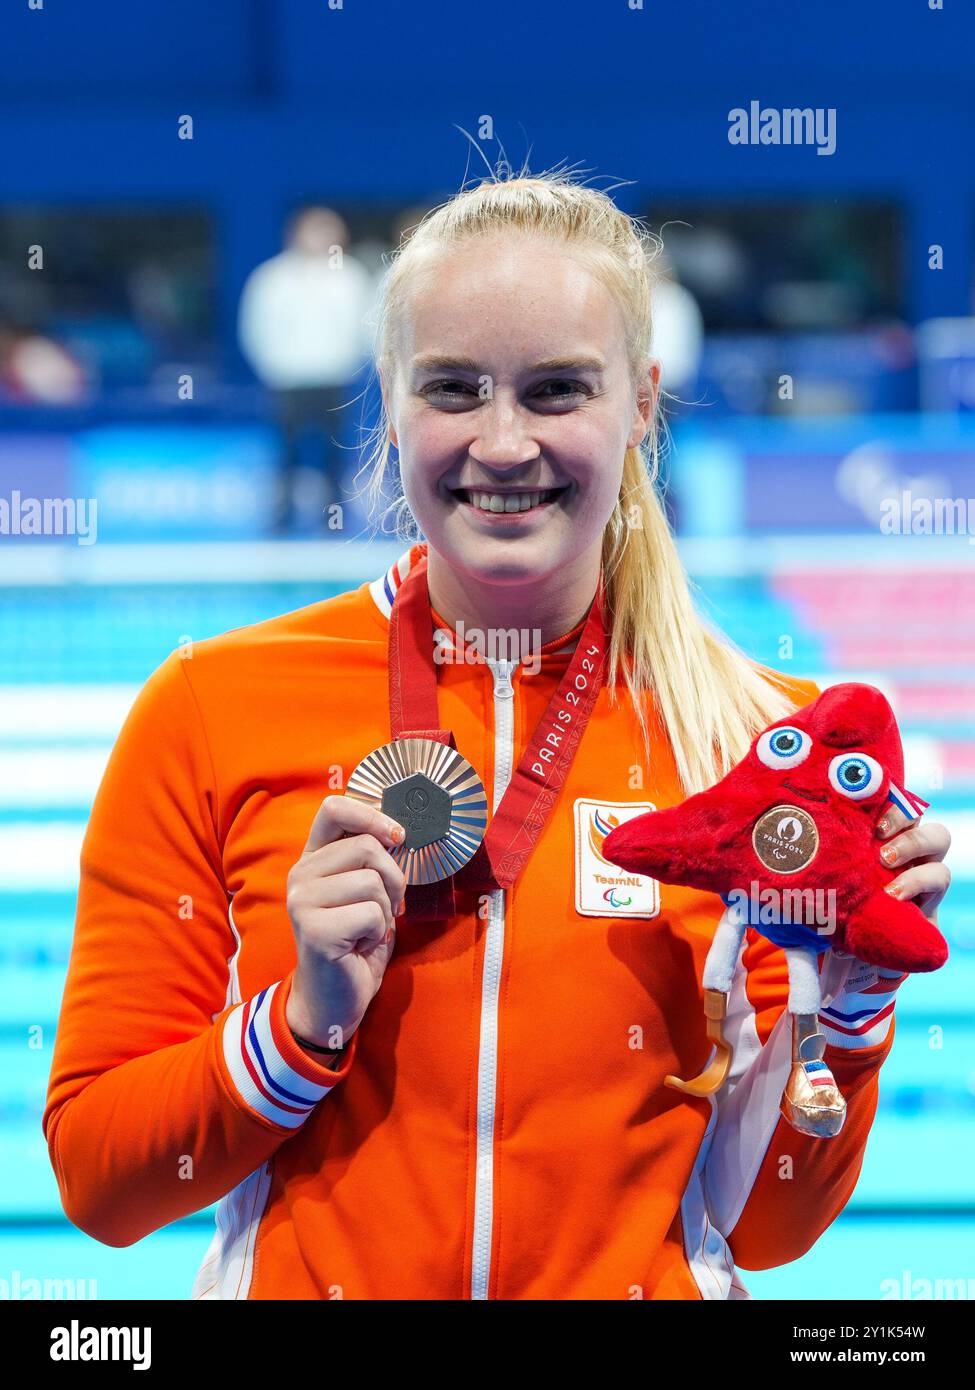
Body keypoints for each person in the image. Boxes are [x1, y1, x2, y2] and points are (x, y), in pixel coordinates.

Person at [43, 170, 952, 1300]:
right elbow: (99, 1180)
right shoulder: (212, 704)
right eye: (456, 388)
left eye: (559, 389)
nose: (505, 442)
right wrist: (297, 1028)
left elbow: (762, 1229)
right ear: (390, 400)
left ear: (644, 405)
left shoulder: (762, 744)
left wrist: (851, 1003)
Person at [237, 206, 376, 534]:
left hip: (334, 379)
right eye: (314, 231)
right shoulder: (272, 278)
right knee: (285, 453)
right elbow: (254, 328)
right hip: (288, 381)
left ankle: (335, 521)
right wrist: (274, 368)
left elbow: (367, 329)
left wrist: (347, 365)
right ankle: (281, 521)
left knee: (334, 453)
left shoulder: (351, 277)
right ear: (295, 235)